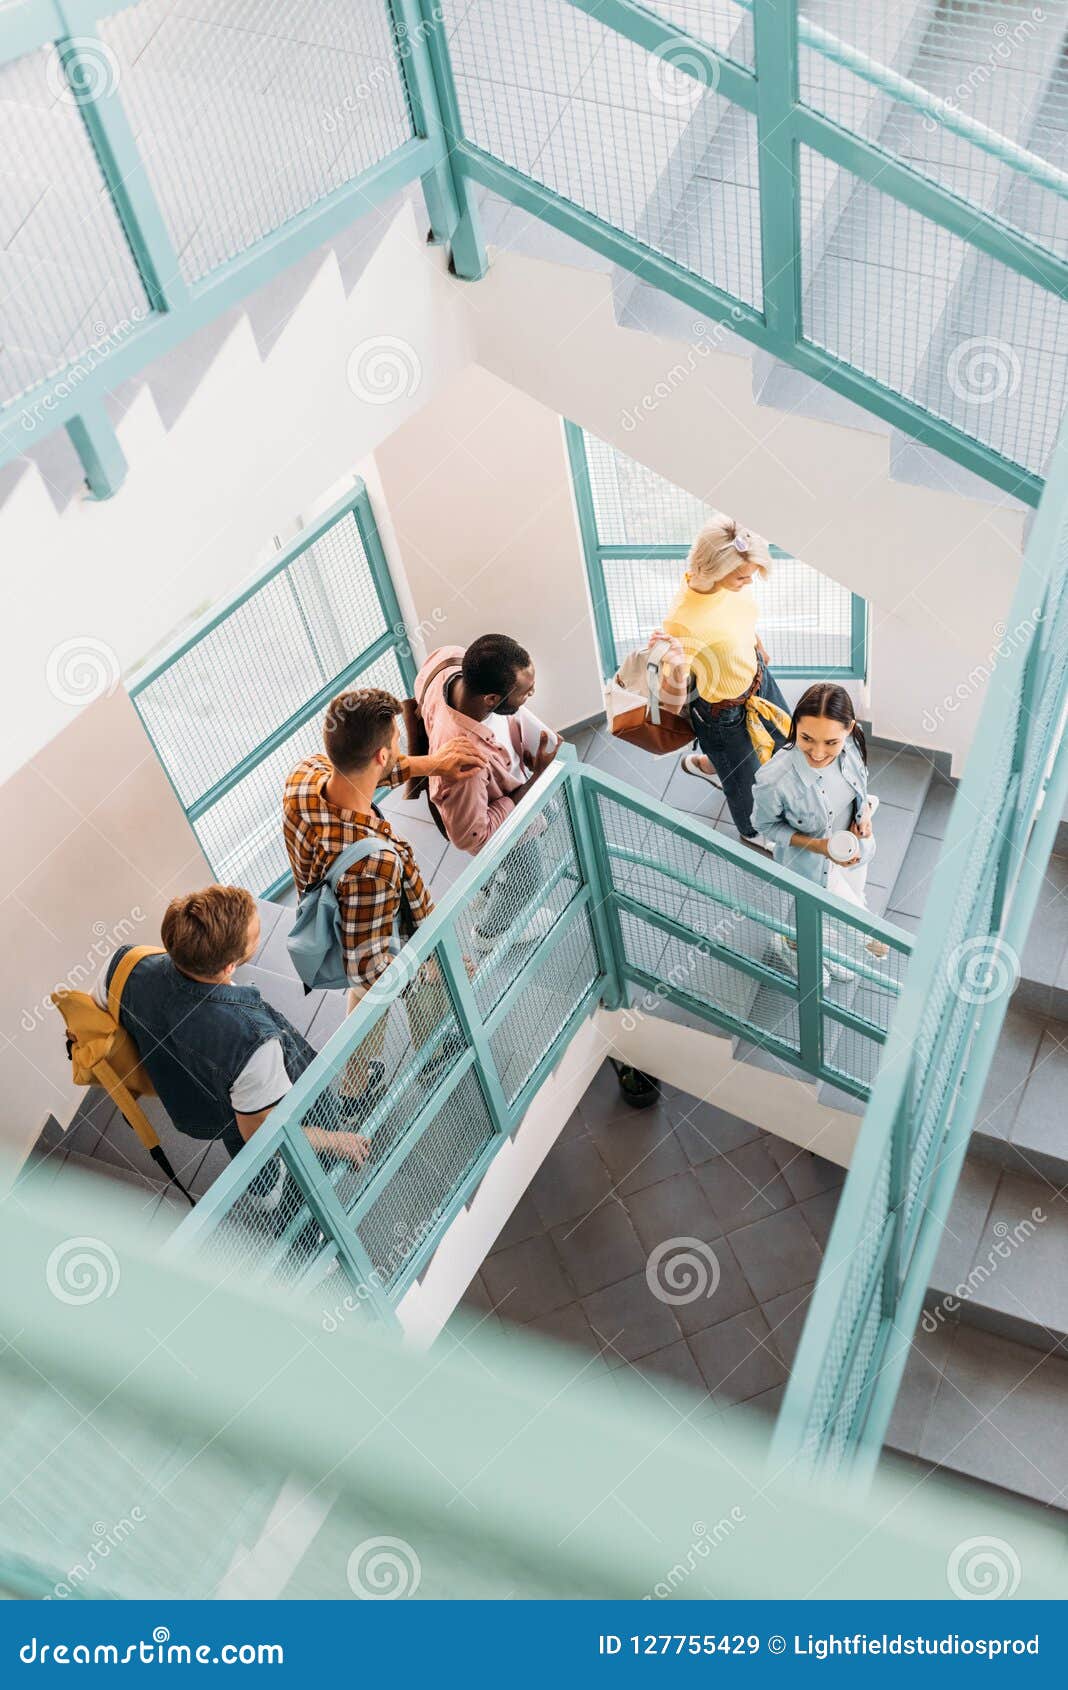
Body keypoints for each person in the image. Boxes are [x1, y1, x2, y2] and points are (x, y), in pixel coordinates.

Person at [92, 884, 369, 1168]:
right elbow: (261, 1135)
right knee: (249, 1139)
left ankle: (264, 1193)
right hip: (252, 1109)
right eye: (255, 935)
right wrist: (335, 1140)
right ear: (228, 967)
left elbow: (100, 1013)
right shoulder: (254, 1044)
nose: (261, 932)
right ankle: (270, 1191)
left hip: (194, 1107)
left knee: (233, 1121)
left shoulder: (123, 963)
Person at [283, 687, 487, 1005]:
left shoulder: (303, 776)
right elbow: (369, 971)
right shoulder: (372, 866)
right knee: (416, 1009)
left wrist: (435, 764)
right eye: (395, 742)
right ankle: (437, 1055)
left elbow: (365, 773)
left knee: (361, 992)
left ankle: (363, 1057)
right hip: (400, 946)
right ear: (381, 756)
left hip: (343, 921)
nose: (399, 748)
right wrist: (429, 970)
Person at [414, 635, 560, 948]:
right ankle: (489, 933)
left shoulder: (448, 660)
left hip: (489, 793)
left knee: (551, 813)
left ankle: (495, 884)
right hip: (475, 814)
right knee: (526, 878)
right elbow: (472, 837)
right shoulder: (464, 766)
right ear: (492, 700)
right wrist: (539, 776)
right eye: (525, 692)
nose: (531, 694)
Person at [659, 513, 791, 853]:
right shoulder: (682, 621)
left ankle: (710, 764)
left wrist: (756, 644)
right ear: (715, 569)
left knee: (785, 745)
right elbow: (671, 702)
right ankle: (752, 830)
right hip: (724, 713)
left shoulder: (725, 585)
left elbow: (736, 616)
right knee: (744, 783)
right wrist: (671, 664)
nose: (749, 582)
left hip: (759, 682)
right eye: (742, 576)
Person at [751, 682, 888, 979]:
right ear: (795, 725)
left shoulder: (852, 745)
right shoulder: (775, 780)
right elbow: (763, 825)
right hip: (812, 862)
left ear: (849, 729)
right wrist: (820, 847)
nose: (817, 752)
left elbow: (859, 787)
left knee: (850, 899)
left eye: (831, 742)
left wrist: (864, 817)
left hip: (853, 849)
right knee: (862, 933)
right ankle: (791, 945)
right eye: (807, 738)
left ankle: (819, 943)